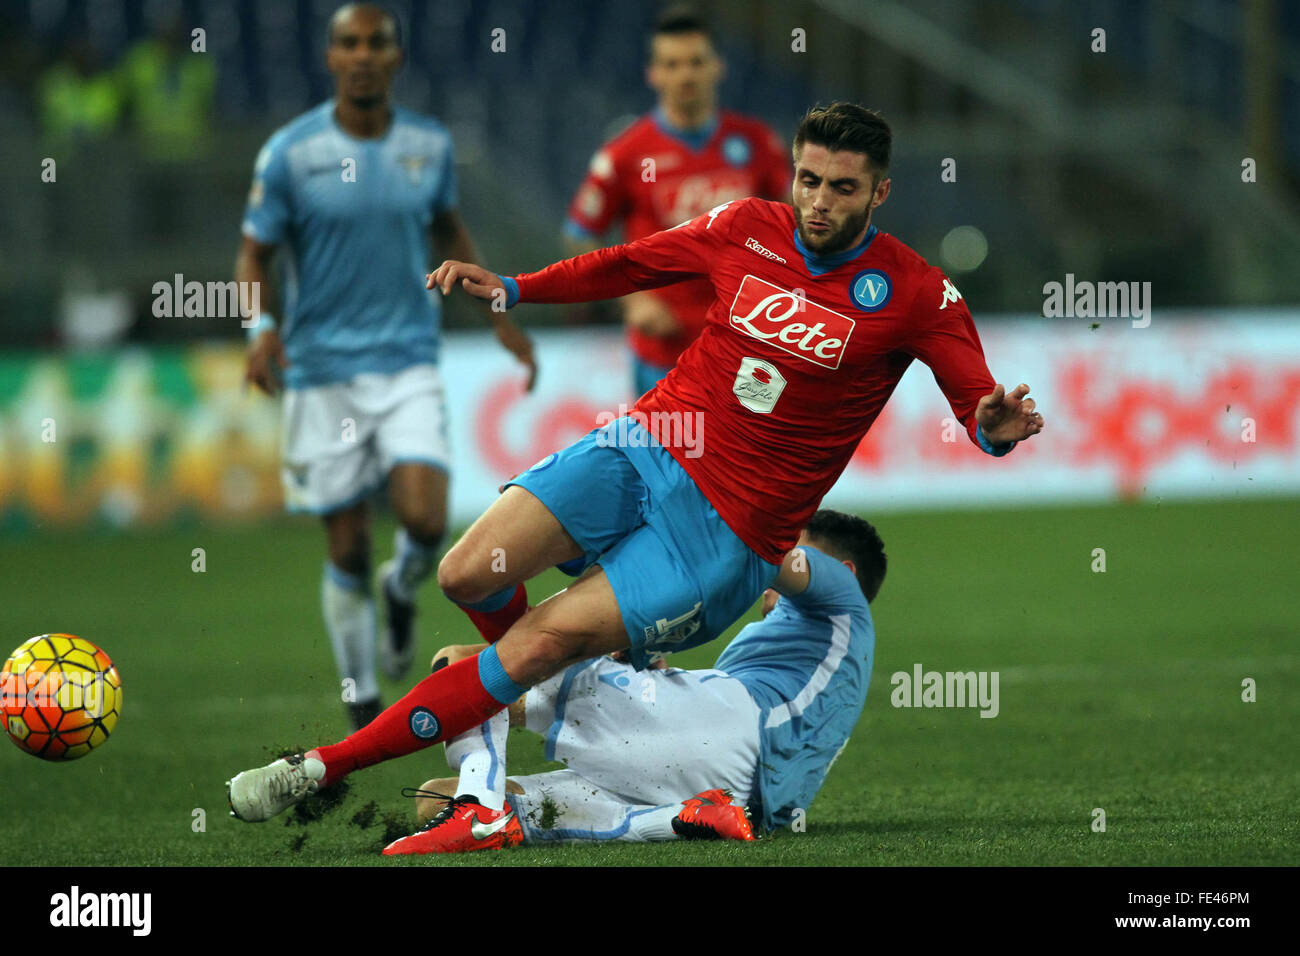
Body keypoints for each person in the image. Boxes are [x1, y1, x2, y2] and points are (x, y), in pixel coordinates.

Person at [226, 101, 1043, 824]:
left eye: (841, 188)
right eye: (808, 179)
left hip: (725, 533)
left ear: (880, 193)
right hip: (647, 445)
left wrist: (994, 428)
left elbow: (978, 403)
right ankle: (567, 673)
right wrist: (517, 287)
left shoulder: (916, 293)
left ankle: (320, 767)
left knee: (537, 645)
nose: (818, 202)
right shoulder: (745, 227)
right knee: (465, 574)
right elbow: (630, 263)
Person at [236, 3, 535, 730]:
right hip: (320, 371)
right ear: (331, 58)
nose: (363, 54)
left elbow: (447, 229)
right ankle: (361, 698)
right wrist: (261, 324)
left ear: (396, 57)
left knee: (426, 519)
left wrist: (497, 314)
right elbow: (255, 252)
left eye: (376, 42)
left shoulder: (428, 147)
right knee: (345, 540)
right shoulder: (289, 152)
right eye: (348, 44)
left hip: (407, 360)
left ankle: (402, 587)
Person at [383, 509, 884, 854]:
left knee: (461, 667)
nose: (785, 550)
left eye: (801, 545)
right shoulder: (809, 654)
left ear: (839, 569)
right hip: (736, 792)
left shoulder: (844, 602)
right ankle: (673, 821)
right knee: (435, 798)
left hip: (733, 736)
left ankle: (472, 812)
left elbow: (759, 550)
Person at [564, 7, 791, 396]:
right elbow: (580, 235)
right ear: (653, 73)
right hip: (663, 352)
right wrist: (632, 302)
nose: (685, 75)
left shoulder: (757, 143)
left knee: (757, 454)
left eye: (695, 62)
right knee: (673, 454)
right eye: (672, 64)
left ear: (718, 67)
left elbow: (796, 222)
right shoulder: (625, 154)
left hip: (748, 344)